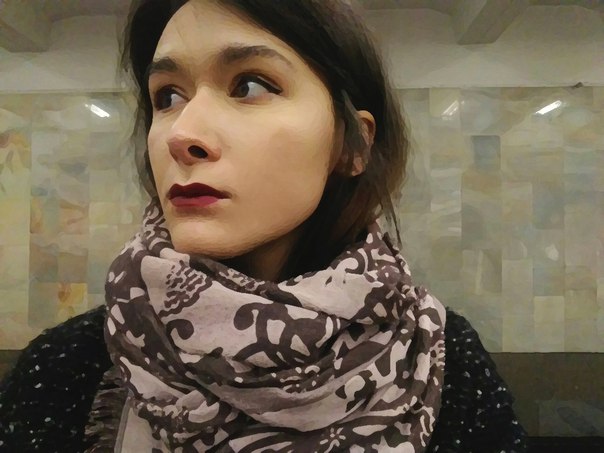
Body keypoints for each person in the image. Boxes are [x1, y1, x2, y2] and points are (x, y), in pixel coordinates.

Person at [0, 1, 527, 451]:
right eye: (168, 96)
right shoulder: (68, 367)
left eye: (249, 85)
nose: (182, 134)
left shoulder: (438, 359)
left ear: (353, 144)